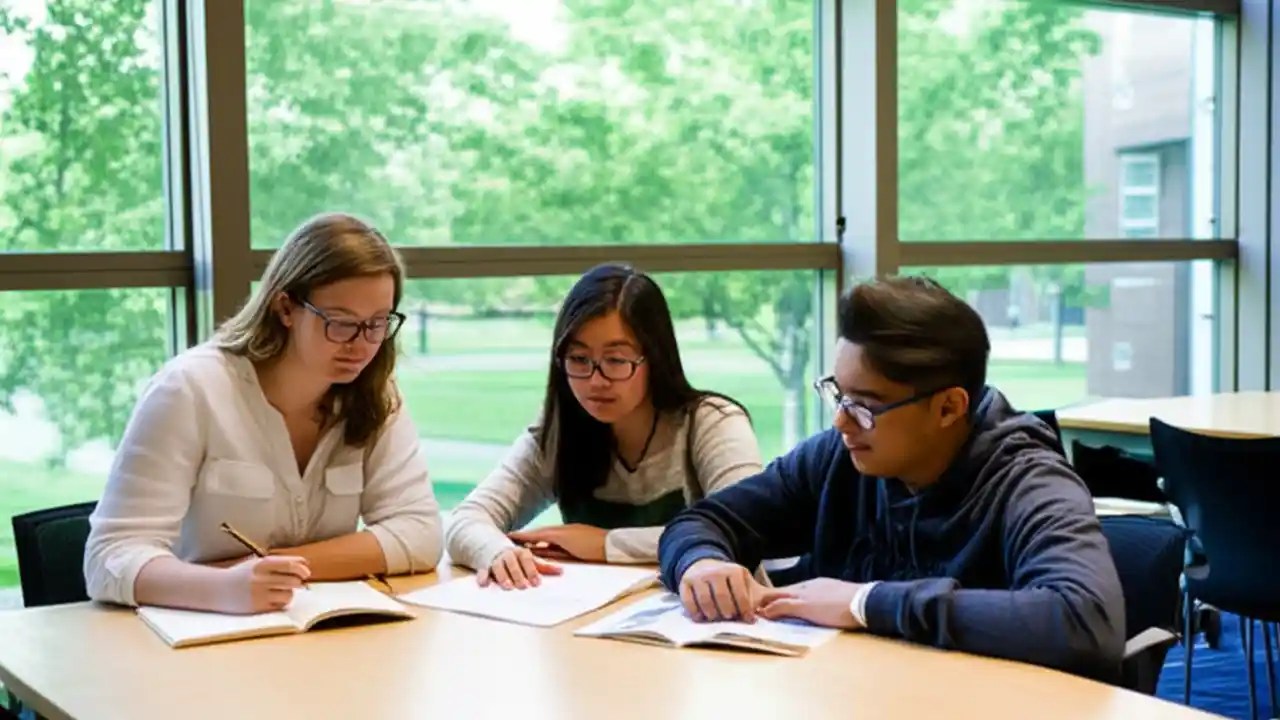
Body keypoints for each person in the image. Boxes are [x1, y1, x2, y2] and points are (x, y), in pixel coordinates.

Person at [658, 276, 1126, 679]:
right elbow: (705, 521)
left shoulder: (1029, 480)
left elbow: (1085, 621)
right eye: (838, 395)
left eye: (865, 405)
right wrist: (700, 564)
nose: (841, 422)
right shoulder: (840, 457)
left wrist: (865, 603)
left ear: (949, 407)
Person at [85, 212, 443, 613]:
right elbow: (108, 559)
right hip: (197, 638)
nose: (361, 345)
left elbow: (420, 532)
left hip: (315, 635)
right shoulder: (190, 388)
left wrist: (262, 569)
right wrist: (221, 587)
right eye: (340, 324)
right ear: (285, 308)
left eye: (378, 323)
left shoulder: (377, 394)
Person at [446, 264, 763, 589]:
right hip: (595, 623)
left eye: (616, 361)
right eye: (579, 360)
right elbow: (465, 520)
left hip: (712, 621)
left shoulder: (712, 422)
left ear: (655, 357)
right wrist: (498, 552)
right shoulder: (561, 429)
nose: (596, 381)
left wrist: (606, 544)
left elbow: (748, 527)